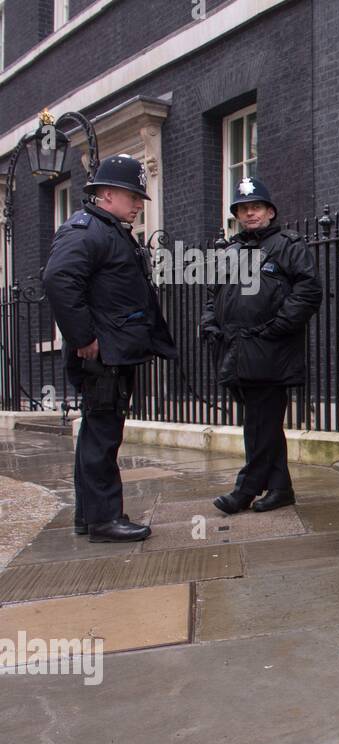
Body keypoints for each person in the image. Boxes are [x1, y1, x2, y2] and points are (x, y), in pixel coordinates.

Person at [43, 154, 177, 543]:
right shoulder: (88, 230)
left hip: (115, 350)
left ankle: (90, 516)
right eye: (132, 196)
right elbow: (58, 279)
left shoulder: (109, 230)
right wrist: (84, 338)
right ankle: (104, 520)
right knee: (102, 436)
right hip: (103, 355)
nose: (138, 204)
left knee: (98, 434)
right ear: (105, 194)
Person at [201, 176, 321, 514]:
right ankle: (280, 488)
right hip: (234, 351)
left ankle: (246, 489)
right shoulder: (230, 250)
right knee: (262, 423)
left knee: (260, 423)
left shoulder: (289, 245)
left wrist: (278, 326)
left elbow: (309, 291)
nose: (249, 214)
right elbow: (214, 295)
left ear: (270, 211)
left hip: (272, 350)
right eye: (242, 209)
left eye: (255, 207)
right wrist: (209, 324)